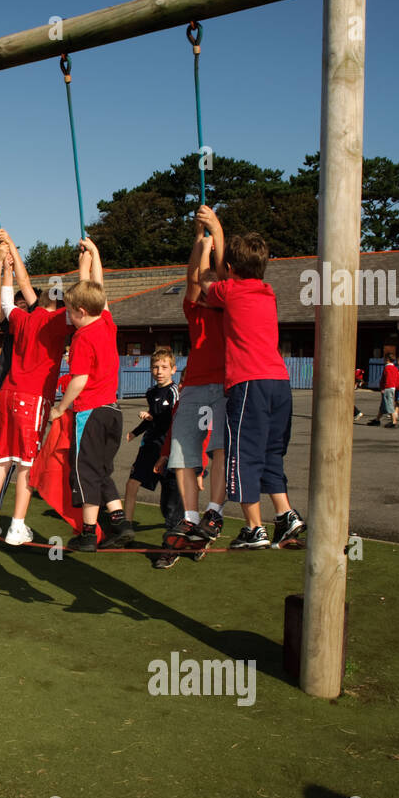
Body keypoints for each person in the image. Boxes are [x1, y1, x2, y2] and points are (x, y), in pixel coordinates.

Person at [196, 205, 305, 549]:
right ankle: (285, 515)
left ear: (229, 270)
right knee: (272, 452)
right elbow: (224, 274)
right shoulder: (267, 292)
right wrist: (217, 232)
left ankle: (254, 528)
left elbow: (203, 283)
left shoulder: (228, 292)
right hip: (279, 383)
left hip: (249, 384)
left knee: (242, 454)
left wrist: (204, 248)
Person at [0, 230, 69, 547]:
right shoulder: (58, 324)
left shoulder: (23, 318)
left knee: (0, 461)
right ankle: (16, 525)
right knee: (27, 465)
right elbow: (28, 289)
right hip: (34, 399)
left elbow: (9, 294)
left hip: (7, 396)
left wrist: (10, 256)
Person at [48, 237, 127, 552]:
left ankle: (88, 533)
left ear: (80, 311)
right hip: (113, 412)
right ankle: (120, 521)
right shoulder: (106, 324)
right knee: (103, 469)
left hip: (90, 412)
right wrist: (94, 256)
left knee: (85, 472)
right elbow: (99, 292)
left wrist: (61, 408)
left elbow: (79, 379)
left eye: (70, 311)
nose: (68, 317)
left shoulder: (82, 337)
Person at [158, 225, 229, 561]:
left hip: (224, 385)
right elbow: (192, 276)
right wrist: (201, 244)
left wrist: (215, 233)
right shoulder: (194, 309)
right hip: (194, 386)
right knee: (182, 452)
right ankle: (191, 517)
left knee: (218, 450)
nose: (205, 288)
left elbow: (222, 270)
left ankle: (214, 511)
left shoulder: (229, 306)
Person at [120, 348, 180, 552]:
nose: (159, 371)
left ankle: (179, 528)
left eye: (164, 367)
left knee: (169, 498)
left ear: (173, 369)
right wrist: (135, 432)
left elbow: (169, 420)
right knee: (132, 483)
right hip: (149, 445)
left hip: (167, 448)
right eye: (155, 367)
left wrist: (151, 418)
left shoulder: (174, 392)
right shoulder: (151, 392)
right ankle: (126, 526)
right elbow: (151, 419)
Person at [371, 353, 399, 427]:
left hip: (387, 388)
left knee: (389, 404)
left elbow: (387, 379)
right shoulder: (395, 368)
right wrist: (395, 387)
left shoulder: (387, 368)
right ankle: (377, 420)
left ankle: (393, 421)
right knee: (383, 405)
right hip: (392, 387)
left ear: (387, 359)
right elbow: (398, 379)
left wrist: (384, 388)